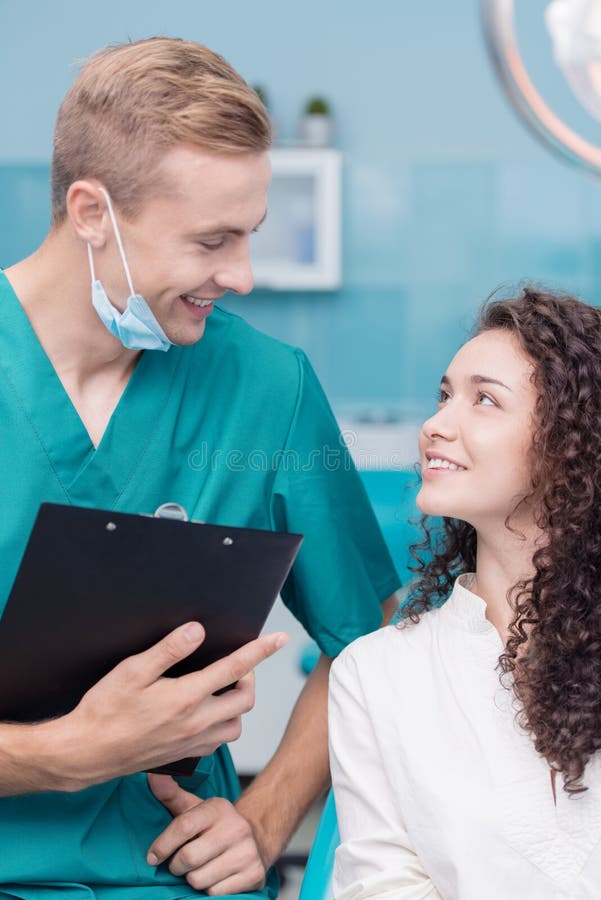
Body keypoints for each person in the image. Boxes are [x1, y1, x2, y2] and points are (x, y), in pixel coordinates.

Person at [0, 37, 401, 900]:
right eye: (213, 241)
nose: (243, 276)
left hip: (171, 877)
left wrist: (263, 820)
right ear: (90, 211)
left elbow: (370, 648)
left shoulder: (266, 386)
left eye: (249, 235)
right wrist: (59, 757)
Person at [329, 287, 601, 900]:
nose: (435, 424)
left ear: (574, 441)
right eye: (445, 396)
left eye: (484, 400)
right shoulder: (376, 676)